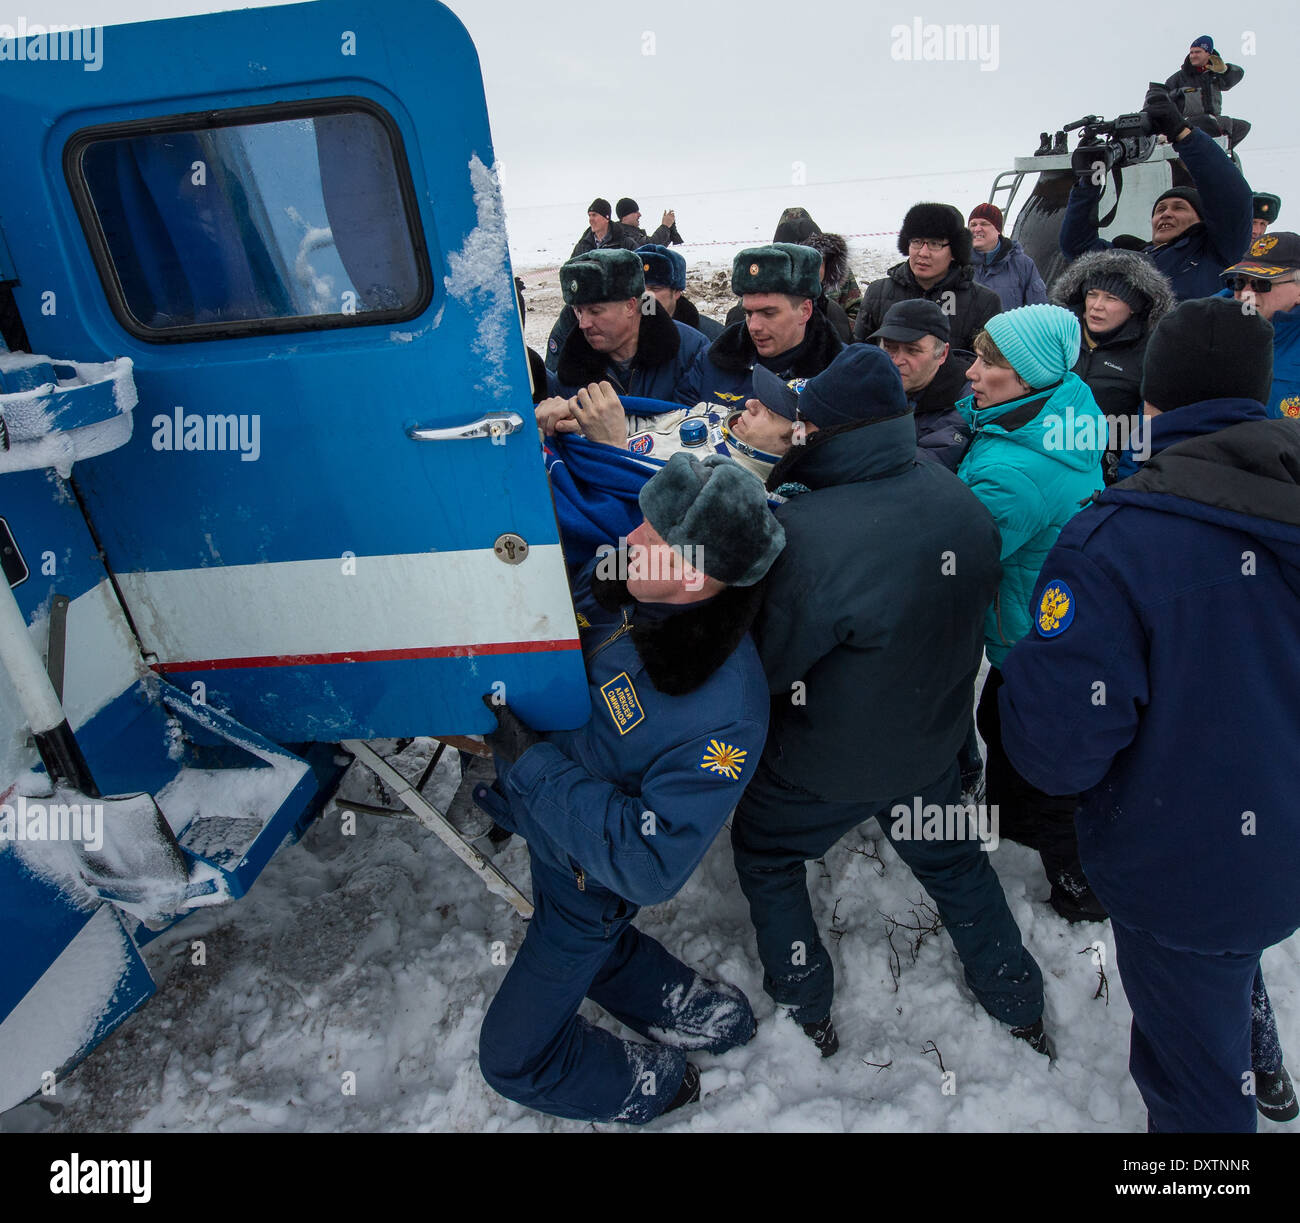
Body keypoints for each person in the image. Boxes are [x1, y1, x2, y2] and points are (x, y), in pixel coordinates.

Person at [998, 296, 1300, 1131]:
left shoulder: (1116, 544)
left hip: (1185, 870)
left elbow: (1056, 754)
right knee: (1232, 955)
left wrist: (1028, 668)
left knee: (1195, 1085)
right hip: (1274, 837)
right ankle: (1260, 1053)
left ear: (1151, 402)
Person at [731, 344, 1050, 1058]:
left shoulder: (809, 539)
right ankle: (1017, 1002)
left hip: (823, 765)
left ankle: (803, 1000)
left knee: (765, 851)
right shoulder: (957, 495)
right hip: (931, 741)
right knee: (956, 864)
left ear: (829, 435)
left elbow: (770, 668)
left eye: (805, 422)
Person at [474, 452, 785, 1125]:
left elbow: (649, 862)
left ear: (697, 575)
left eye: (652, 536)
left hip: (593, 880)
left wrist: (532, 767)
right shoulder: (627, 580)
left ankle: (659, 1083)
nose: (627, 538)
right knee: (593, 947)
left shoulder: (726, 712)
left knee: (511, 1057)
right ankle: (695, 1006)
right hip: (551, 830)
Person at [956, 305, 1107, 921]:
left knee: (1043, 773)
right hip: (1045, 626)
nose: (970, 372)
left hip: (1025, 638)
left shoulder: (1016, 474)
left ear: (1029, 377)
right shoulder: (1063, 408)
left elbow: (953, 559)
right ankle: (1018, 821)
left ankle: (1081, 886)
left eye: (989, 362)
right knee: (1003, 728)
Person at [1059, 87, 1253, 301]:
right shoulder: (1129, 256)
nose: (1166, 214)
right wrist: (1091, 179)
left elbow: (1231, 197)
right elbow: (1077, 246)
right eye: (1160, 209)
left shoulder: (1218, 252)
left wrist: (1182, 133)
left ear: (1202, 220)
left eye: (1179, 207)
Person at [1050, 249, 1176, 482]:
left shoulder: (1151, 354)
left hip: (1104, 474)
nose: (1097, 306)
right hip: (1044, 458)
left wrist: (1124, 475)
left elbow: (1150, 430)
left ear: (1134, 307)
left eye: (1112, 298)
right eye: (1092, 294)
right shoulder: (1058, 334)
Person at [546, 249, 707, 404]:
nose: (583, 323)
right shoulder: (571, 370)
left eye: (595, 311)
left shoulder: (691, 352)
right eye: (578, 311)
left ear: (630, 306)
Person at [699, 244, 843, 405]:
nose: (753, 326)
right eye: (748, 313)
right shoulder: (711, 360)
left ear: (805, 311)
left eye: (768, 313)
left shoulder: (841, 373)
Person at [853, 202, 1002, 350]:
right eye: (916, 242)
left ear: (955, 251)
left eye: (935, 244)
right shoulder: (878, 292)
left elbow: (986, 364)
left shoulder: (983, 302)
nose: (923, 253)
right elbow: (860, 355)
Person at [867, 299, 972, 471]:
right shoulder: (865, 378)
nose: (897, 361)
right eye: (889, 347)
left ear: (942, 354)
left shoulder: (968, 400)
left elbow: (928, 465)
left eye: (912, 350)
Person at [1223, 232, 1300, 421]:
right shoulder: (1198, 325)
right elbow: (1155, 403)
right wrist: (1145, 449)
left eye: (1261, 284)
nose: (1246, 293)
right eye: (1239, 282)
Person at [1164, 35, 1249, 149]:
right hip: (1188, 124)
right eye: (1191, 52)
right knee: (1208, 121)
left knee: (1242, 126)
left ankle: (1218, 153)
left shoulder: (1215, 74)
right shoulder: (1177, 79)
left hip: (1213, 121)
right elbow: (1161, 102)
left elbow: (1237, 75)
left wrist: (1225, 70)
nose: (1193, 55)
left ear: (1208, 54)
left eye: (1198, 52)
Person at [968, 203, 1047, 310]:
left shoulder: (1023, 265)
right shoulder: (957, 264)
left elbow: (1038, 310)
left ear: (998, 230)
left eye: (984, 223)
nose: (977, 229)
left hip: (1009, 327)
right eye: (973, 225)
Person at [638, 244, 723, 340]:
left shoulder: (712, 340)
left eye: (654, 289)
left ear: (676, 292)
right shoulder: (619, 336)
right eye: (638, 287)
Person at [571, 198, 639, 258]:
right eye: (589, 215)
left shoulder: (625, 243)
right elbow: (570, 269)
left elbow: (639, 266)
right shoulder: (582, 246)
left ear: (606, 218)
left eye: (594, 215)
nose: (591, 219)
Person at [616, 197, 682, 246]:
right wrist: (665, 226)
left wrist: (669, 228)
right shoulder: (621, 234)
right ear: (625, 215)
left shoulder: (632, 232)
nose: (639, 215)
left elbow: (656, 249)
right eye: (635, 212)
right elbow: (649, 246)